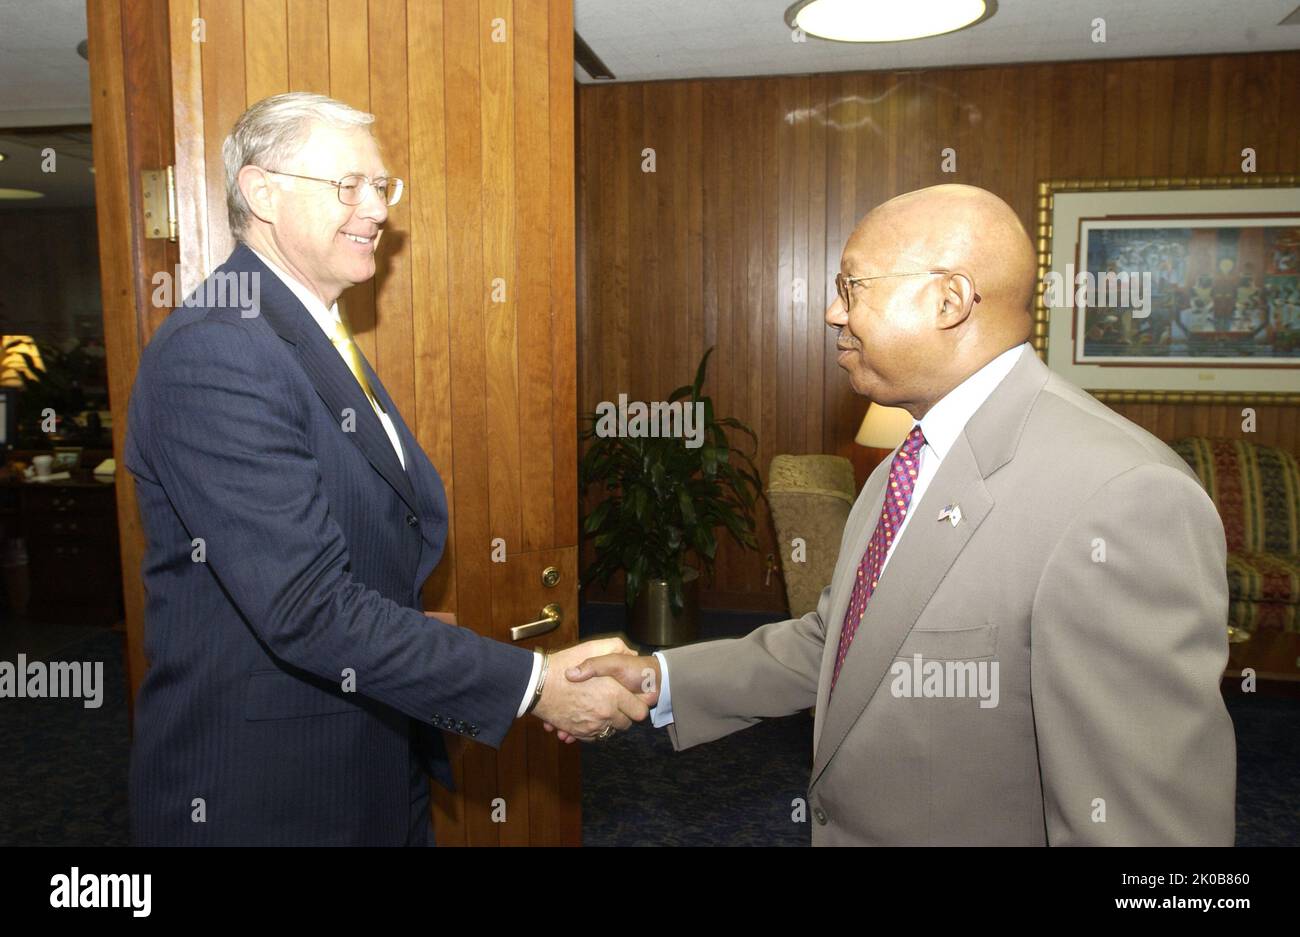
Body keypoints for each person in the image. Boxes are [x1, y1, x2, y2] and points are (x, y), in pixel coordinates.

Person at [563, 184, 1237, 846]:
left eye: (852, 286)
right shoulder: (907, 461)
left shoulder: (1123, 497)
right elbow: (839, 647)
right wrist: (661, 679)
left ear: (949, 300)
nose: (833, 311)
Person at [126, 93, 647, 846]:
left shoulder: (307, 329)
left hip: (369, 752)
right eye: (349, 185)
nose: (375, 208)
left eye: (382, 187)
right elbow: (306, 606)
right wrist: (535, 686)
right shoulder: (219, 350)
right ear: (260, 192)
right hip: (267, 794)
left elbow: (344, 553)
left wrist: (422, 629)